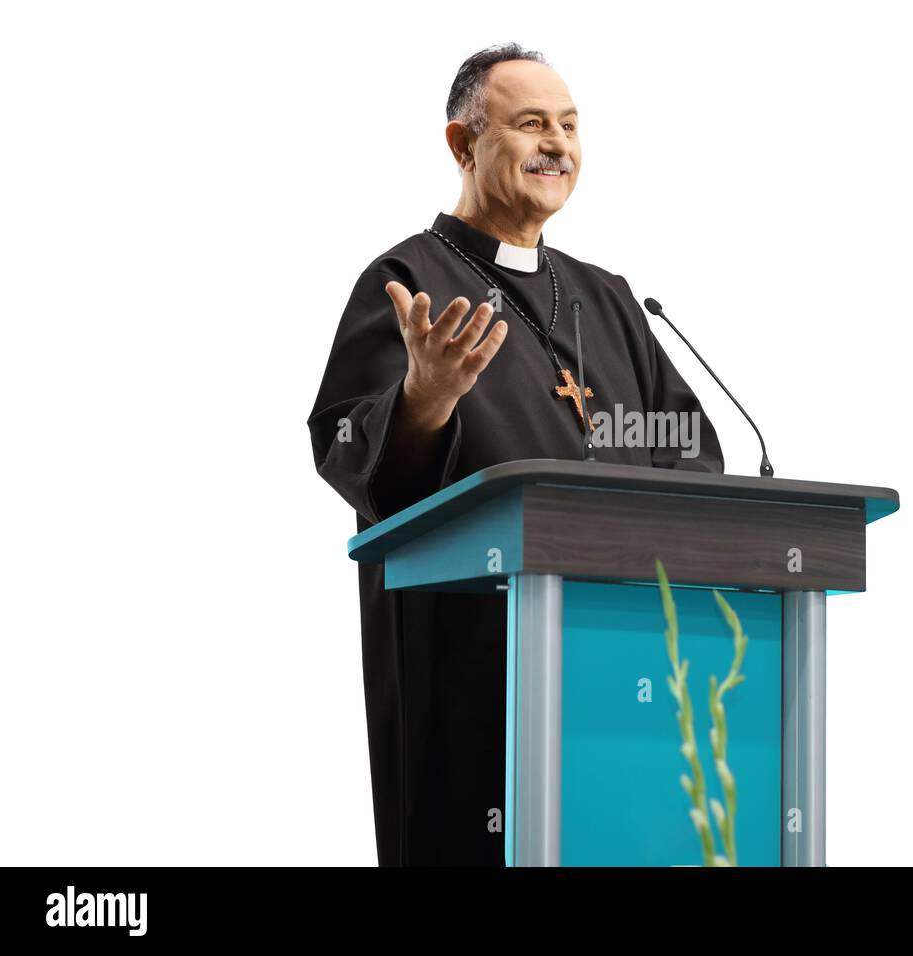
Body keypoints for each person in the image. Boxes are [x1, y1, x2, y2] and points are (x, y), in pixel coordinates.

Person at [307, 43, 724, 865]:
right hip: (474, 667)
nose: (559, 144)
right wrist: (423, 401)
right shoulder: (406, 280)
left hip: (622, 659)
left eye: (570, 126)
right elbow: (347, 444)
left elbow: (683, 448)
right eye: (532, 123)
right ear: (462, 145)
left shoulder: (606, 297)